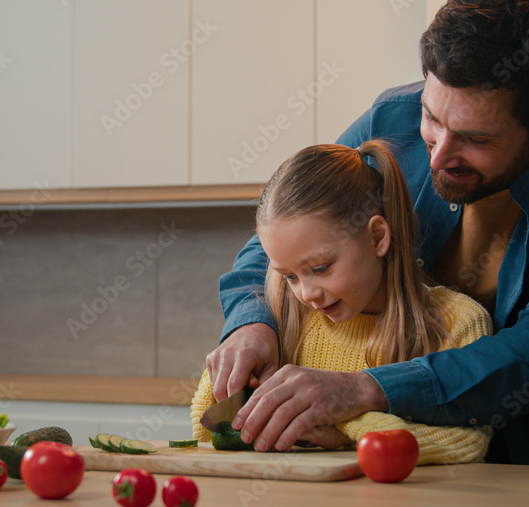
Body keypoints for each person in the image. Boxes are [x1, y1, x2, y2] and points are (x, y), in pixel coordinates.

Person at [207, 0, 529, 468]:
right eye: (432, 118)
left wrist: (365, 389)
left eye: (474, 138)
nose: (439, 154)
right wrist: (251, 322)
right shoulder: (391, 119)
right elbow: (291, 232)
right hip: (411, 471)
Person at [191, 141, 492, 463]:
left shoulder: (456, 321)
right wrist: (230, 376)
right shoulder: (283, 318)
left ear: (377, 237)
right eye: (290, 276)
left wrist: (345, 427)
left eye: (320, 268)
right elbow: (204, 429)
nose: (306, 294)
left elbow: (467, 442)